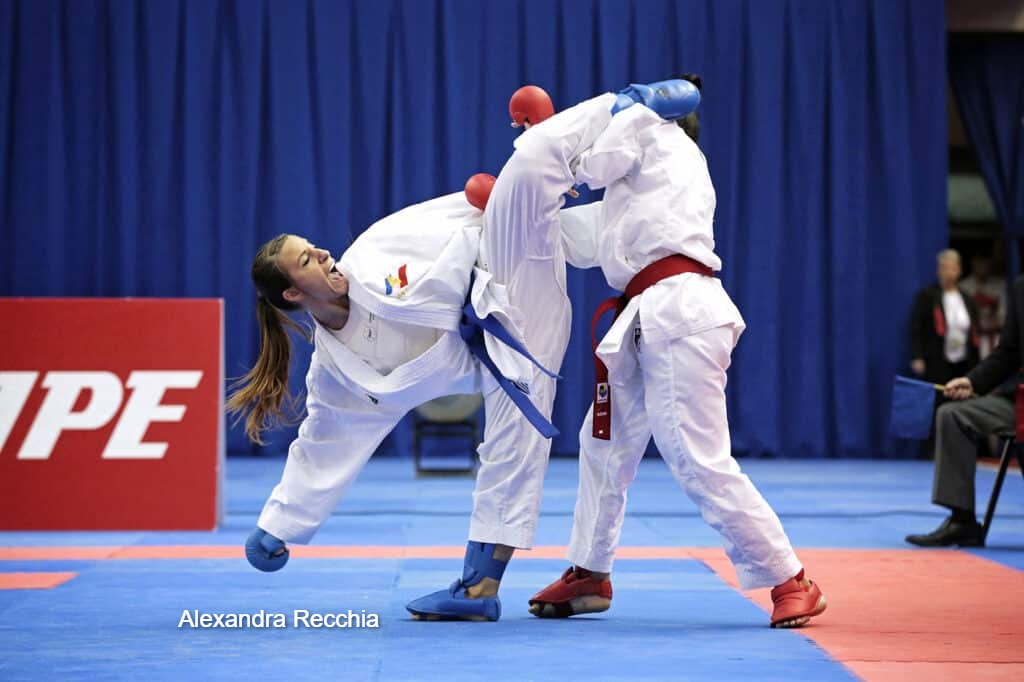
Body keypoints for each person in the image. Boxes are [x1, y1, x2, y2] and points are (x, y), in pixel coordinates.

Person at [227, 82, 701, 621]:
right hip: (511, 345)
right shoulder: (339, 375)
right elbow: (321, 444)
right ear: (292, 294)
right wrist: (279, 524)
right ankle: (478, 589)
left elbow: (453, 213)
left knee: (527, 174)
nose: (323, 253)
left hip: (505, 264)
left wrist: (497, 200)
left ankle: (628, 105)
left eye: (314, 247)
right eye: (306, 261)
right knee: (511, 443)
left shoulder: (375, 249)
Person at [526, 73, 827, 628]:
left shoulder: (651, 128)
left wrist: (548, 144)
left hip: (680, 312)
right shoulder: (640, 188)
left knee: (694, 455)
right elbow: (571, 236)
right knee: (602, 444)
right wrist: (511, 203)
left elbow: (591, 164)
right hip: (646, 316)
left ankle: (791, 577)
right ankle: (590, 570)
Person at [905, 272, 1024, 547]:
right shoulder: (1019, 287)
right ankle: (962, 520)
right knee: (953, 415)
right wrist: (972, 381)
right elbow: (1008, 352)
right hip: (1018, 401)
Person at [909, 249, 981, 384]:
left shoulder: (967, 298)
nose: (947, 272)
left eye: (951, 268)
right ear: (938, 270)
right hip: (938, 359)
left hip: (964, 360)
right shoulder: (927, 295)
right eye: (943, 268)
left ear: (959, 270)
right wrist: (917, 356)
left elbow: (975, 329)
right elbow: (916, 327)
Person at [960, 251, 1006, 360]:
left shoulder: (1001, 284)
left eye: (985, 263)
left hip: (997, 335)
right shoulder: (963, 286)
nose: (982, 267)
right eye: (979, 264)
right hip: (972, 338)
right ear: (973, 265)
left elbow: (1006, 314)